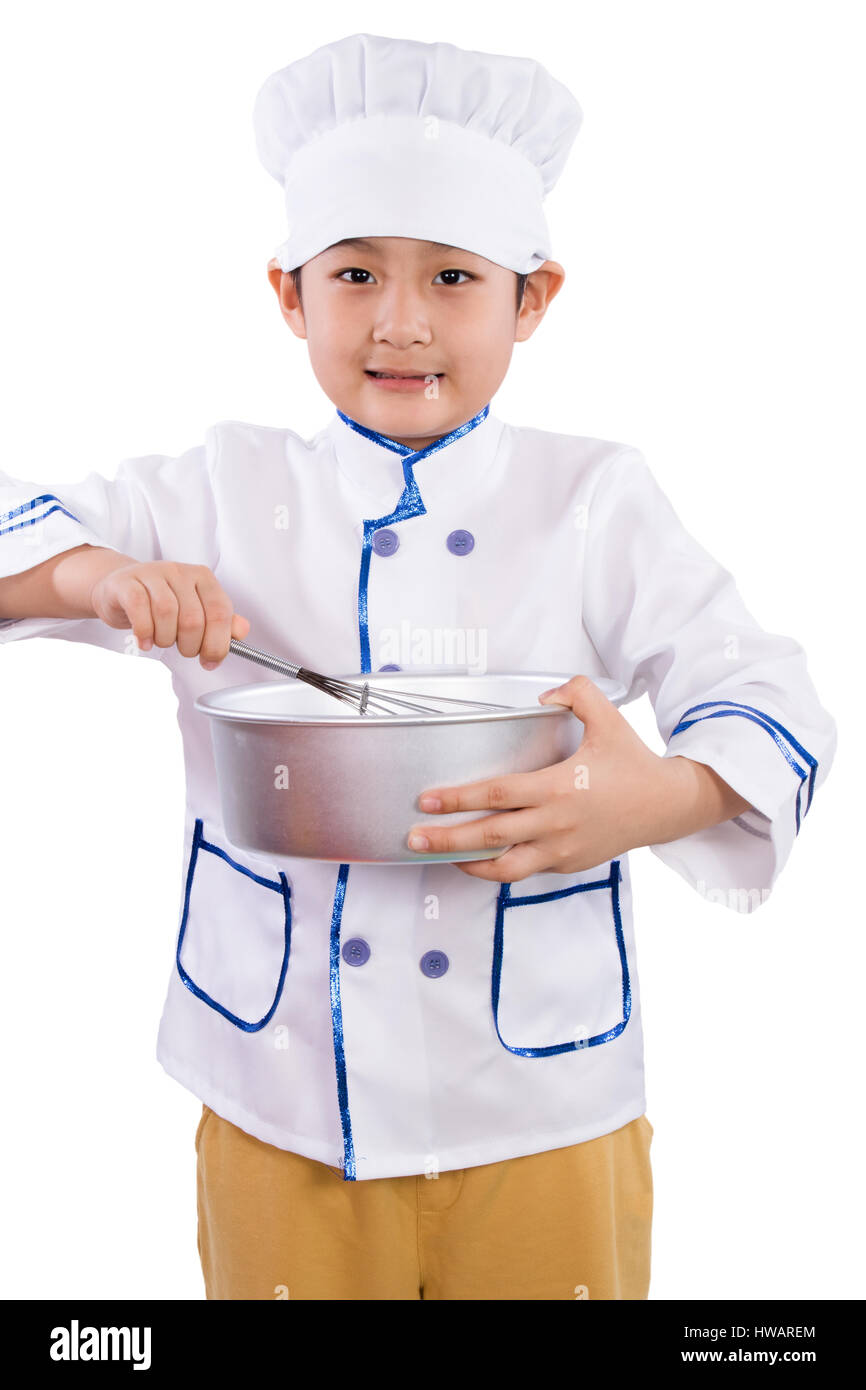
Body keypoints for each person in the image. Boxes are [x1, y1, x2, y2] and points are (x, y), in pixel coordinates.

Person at [0, 33, 836, 1300]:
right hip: (279, 1097)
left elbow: (767, 691)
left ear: (532, 298)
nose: (400, 323)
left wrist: (652, 799)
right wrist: (93, 575)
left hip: (539, 1109)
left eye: (451, 275)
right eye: (352, 275)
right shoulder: (219, 490)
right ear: (288, 297)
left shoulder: (591, 498)